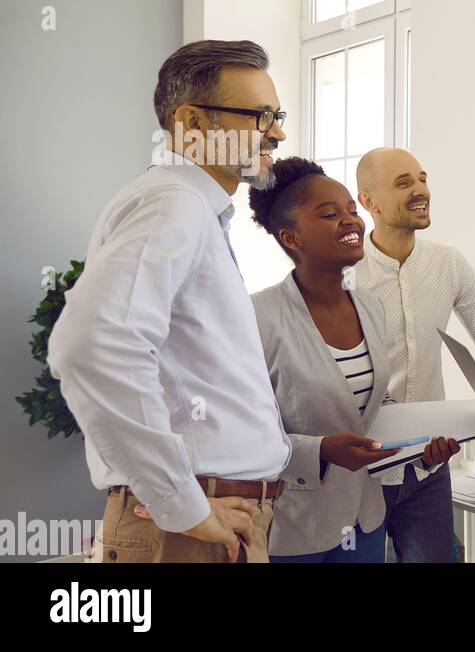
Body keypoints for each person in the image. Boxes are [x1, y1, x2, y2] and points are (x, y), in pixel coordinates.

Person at [47, 40, 297, 563]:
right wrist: (184, 506)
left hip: (221, 521)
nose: (277, 132)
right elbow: (93, 345)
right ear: (193, 121)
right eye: (260, 116)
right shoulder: (174, 203)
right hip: (188, 532)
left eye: (277, 115)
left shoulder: (195, 209)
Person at [245, 157, 462, 562]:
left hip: (364, 520)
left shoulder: (369, 307)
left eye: (351, 211)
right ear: (291, 238)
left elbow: (371, 409)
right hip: (294, 527)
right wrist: (321, 450)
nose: (352, 222)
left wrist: (423, 441)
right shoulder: (257, 317)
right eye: (330, 215)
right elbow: (241, 432)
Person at [352, 147, 475, 562]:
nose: (420, 190)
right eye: (403, 183)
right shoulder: (347, 273)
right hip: (360, 471)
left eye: (422, 178)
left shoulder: (448, 264)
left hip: (430, 465)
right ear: (367, 201)